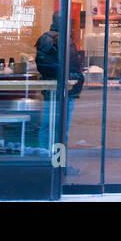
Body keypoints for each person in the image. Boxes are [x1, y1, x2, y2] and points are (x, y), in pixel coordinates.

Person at [35, 13, 84, 172]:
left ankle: (44, 161)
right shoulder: (65, 40)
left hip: (50, 89)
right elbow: (72, 67)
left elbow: (40, 66)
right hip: (65, 91)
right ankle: (59, 165)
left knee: (47, 126)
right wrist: (78, 83)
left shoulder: (43, 39)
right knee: (62, 129)